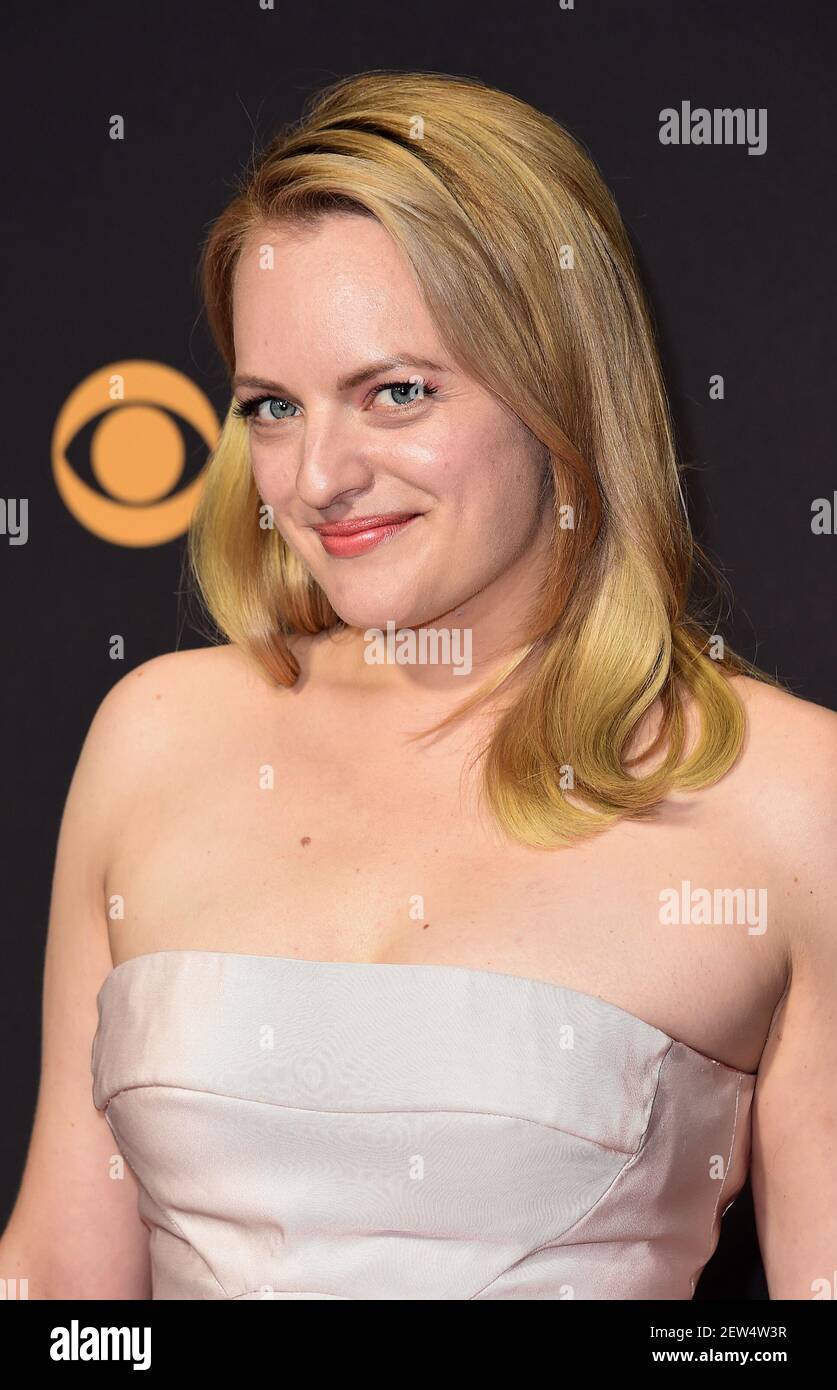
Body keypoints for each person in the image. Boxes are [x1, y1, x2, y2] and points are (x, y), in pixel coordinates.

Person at [2, 70, 835, 1301]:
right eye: (272, 406)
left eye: (398, 391)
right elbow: (65, 1281)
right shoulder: (157, 735)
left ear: (563, 389)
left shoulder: (791, 797)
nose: (318, 475)